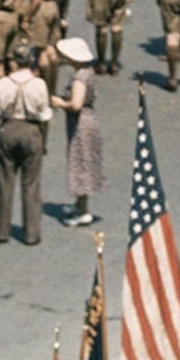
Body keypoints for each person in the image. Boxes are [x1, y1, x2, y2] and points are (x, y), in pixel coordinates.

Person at [0, 50, 51, 245]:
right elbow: (45, 117)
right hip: (31, 130)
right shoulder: (39, 84)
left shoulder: (3, 83)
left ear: (13, 61)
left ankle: (2, 231)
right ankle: (31, 233)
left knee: (5, 182)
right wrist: (43, 141)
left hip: (8, 128)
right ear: (31, 61)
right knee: (31, 184)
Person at [53, 38, 100, 227]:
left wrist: (59, 102)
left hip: (81, 124)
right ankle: (80, 203)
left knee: (80, 163)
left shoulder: (80, 78)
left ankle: (83, 211)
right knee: (82, 162)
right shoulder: (88, 72)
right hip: (86, 121)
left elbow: (75, 104)